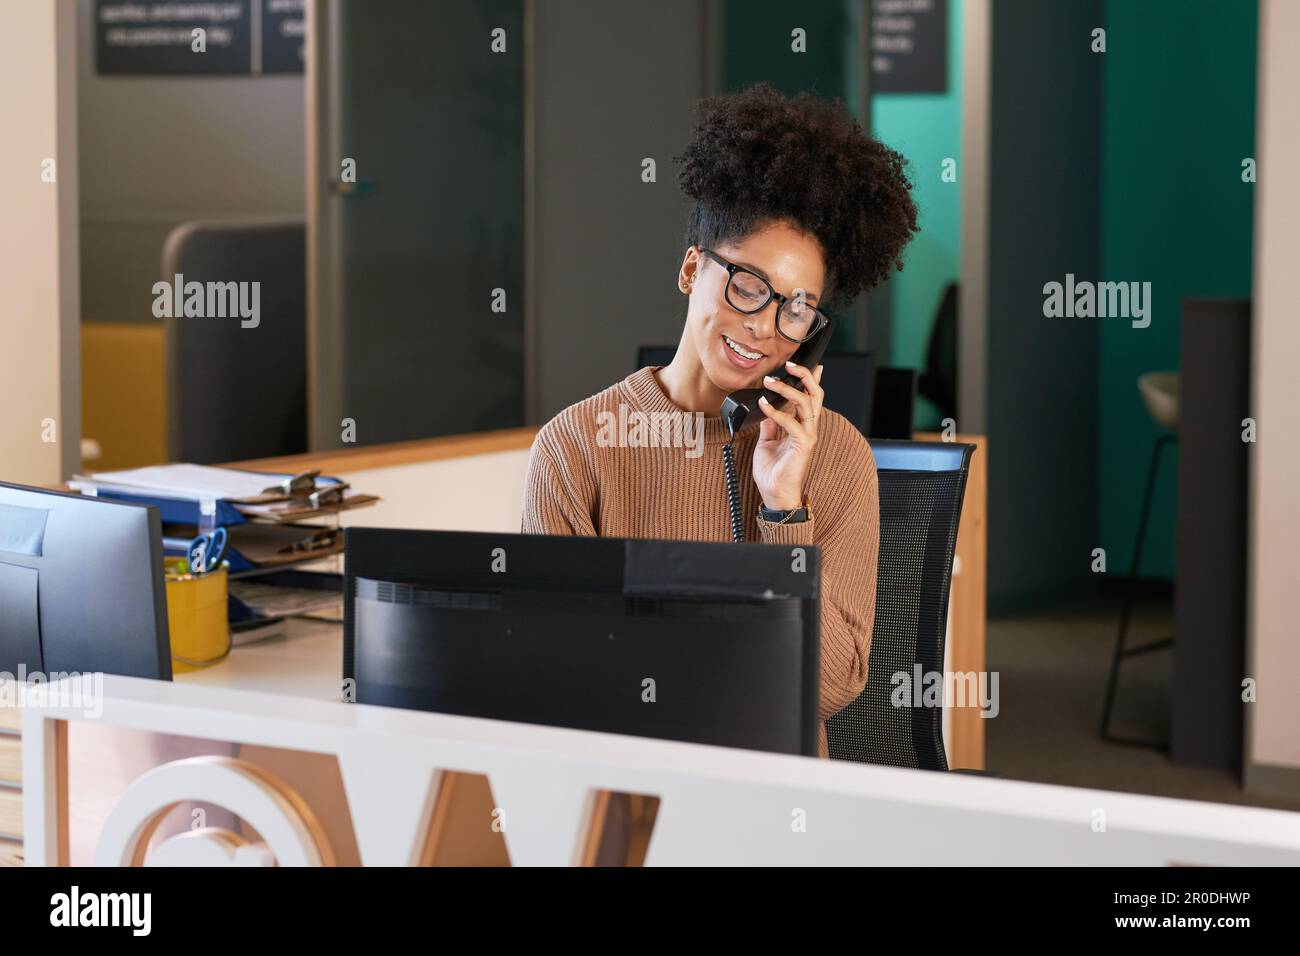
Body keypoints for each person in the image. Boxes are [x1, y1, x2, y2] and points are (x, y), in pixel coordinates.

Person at [523, 82, 918, 758]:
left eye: (796, 309)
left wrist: (783, 508)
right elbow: (553, 669)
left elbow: (827, 686)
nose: (764, 328)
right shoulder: (574, 447)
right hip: (626, 787)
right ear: (690, 268)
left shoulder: (836, 455)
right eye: (747, 285)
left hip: (779, 804)